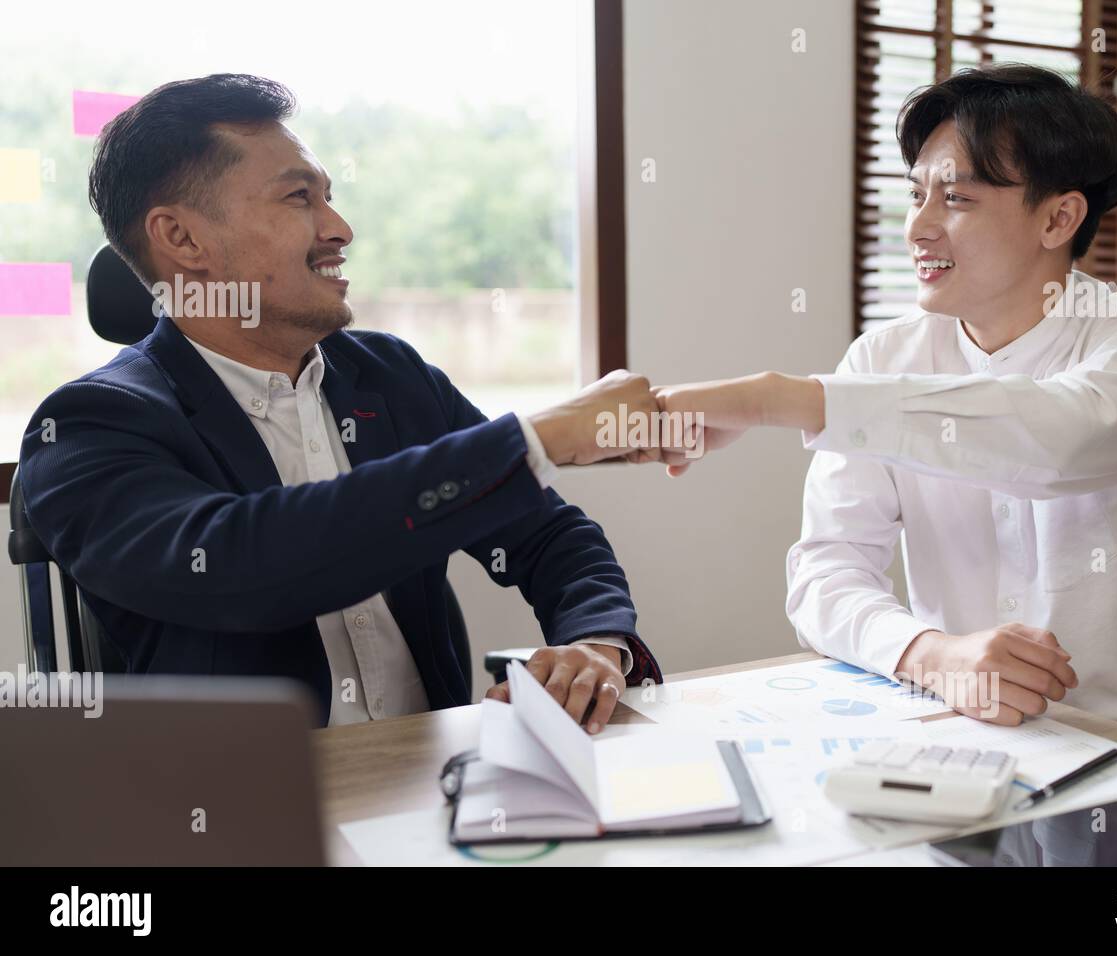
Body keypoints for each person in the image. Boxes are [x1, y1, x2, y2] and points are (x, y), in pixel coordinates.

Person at [19, 74, 662, 732]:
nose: (339, 227)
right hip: (242, 812)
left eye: (329, 196)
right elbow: (247, 566)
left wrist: (595, 643)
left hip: (433, 781)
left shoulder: (390, 377)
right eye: (300, 198)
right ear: (183, 240)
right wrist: (535, 438)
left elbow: (551, 535)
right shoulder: (88, 428)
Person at [653, 64, 1117, 762]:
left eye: (957, 200)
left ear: (1059, 218)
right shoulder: (881, 361)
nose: (919, 228)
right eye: (915, 196)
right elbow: (827, 573)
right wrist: (930, 654)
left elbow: (1058, 440)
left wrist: (776, 399)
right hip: (958, 728)